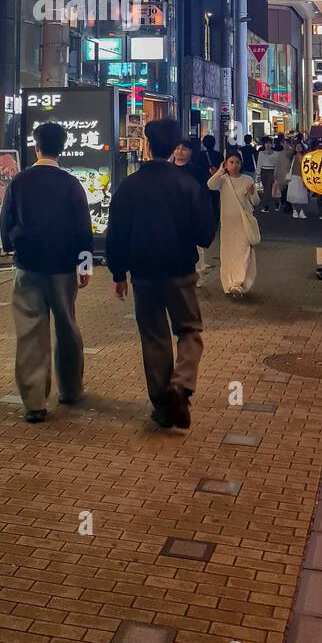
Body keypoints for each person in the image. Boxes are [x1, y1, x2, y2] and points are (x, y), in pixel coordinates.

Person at [106, 118, 216, 429]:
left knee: (153, 336)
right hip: (180, 270)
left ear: (148, 145)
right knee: (189, 330)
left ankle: (162, 405)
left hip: (143, 273)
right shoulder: (189, 185)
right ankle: (180, 386)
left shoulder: (129, 186)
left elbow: (116, 234)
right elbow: (205, 234)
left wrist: (118, 273)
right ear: (175, 148)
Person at [0, 121, 93, 422]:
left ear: (35, 147)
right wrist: (85, 265)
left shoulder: (20, 181)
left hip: (28, 265)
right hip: (63, 267)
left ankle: (35, 401)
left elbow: (7, 221)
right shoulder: (71, 184)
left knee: (30, 331)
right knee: (67, 327)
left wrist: (13, 244)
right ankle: (70, 390)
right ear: (61, 149)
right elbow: (83, 227)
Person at [208, 151, 260, 297]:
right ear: (226, 164)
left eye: (237, 162)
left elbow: (255, 202)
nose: (234, 165)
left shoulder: (248, 179)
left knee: (244, 252)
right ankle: (228, 284)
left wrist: (252, 192)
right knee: (228, 253)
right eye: (231, 162)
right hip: (228, 223)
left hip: (243, 222)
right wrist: (220, 171)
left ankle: (239, 283)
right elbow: (210, 185)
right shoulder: (223, 180)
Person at [173, 136, 220, 289]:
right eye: (177, 148)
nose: (180, 151)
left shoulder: (197, 172)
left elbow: (204, 193)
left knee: (196, 248)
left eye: (184, 149)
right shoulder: (167, 171)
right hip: (172, 215)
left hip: (192, 215)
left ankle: (196, 275)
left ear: (191, 152)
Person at [286, 141, 309, 219]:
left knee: (301, 194)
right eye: (297, 146)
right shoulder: (292, 156)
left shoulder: (305, 157)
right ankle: (295, 210)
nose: (299, 148)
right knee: (293, 195)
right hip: (294, 177)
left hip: (302, 177)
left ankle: (301, 210)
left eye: (300, 146)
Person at [256, 136, 279, 211]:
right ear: (264, 144)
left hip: (271, 170)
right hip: (263, 171)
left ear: (272, 144)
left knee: (268, 188)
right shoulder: (261, 153)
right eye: (266, 143)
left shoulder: (276, 153)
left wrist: (276, 173)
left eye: (269, 143)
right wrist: (258, 174)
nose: (268, 145)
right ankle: (276, 203)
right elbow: (259, 163)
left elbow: (277, 164)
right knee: (266, 188)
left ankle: (266, 206)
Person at [273, 137, 293, 212]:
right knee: (284, 190)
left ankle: (288, 206)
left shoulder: (291, 153)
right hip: (282, 174)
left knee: (288, 190)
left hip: (289, 174)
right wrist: (276, 174)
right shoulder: (280, 153)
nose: (285, 145)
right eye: (284, 144)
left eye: (286, 144)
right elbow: (277, 164)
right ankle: (286, 205)